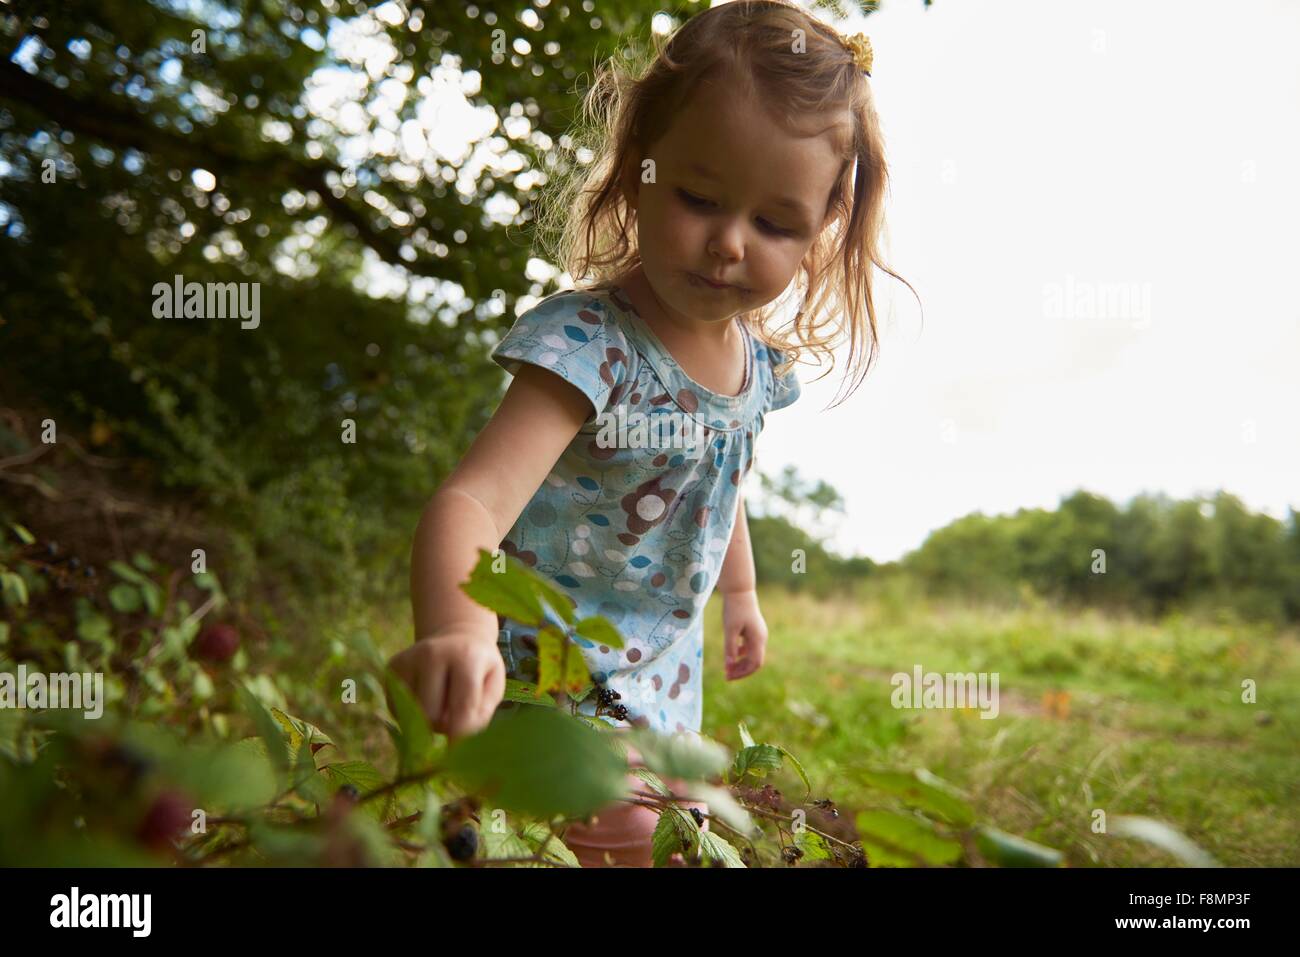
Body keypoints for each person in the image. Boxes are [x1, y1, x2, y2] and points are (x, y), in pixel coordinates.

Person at [389, 0, 909, 867]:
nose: (729, 244)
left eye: (775, 223)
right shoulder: (592, 345)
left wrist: (740, 595)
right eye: (701, 198)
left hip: (658, 691)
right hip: (535, 676)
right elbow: (471, 502)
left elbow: (721, 479)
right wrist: (458, 632)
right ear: (639, 171)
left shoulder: (756, 369)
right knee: (621, 841)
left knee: (678, 834)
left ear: (822, 231)